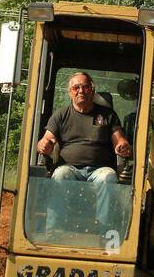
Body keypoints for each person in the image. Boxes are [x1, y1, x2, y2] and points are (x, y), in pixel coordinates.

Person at [37, 72, 131, 229]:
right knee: (59, 175)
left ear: (92, 90)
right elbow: (47, 139)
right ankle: (54, 230)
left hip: (100, 170)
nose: (81, 91)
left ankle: (104, 231)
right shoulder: (60, 115)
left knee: (108, 177)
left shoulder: (108, 115)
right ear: (70, 92)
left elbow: (119, 139)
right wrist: (44, 144)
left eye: (85, 87)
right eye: (76, 87)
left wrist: (123, 146)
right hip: (70, 169)